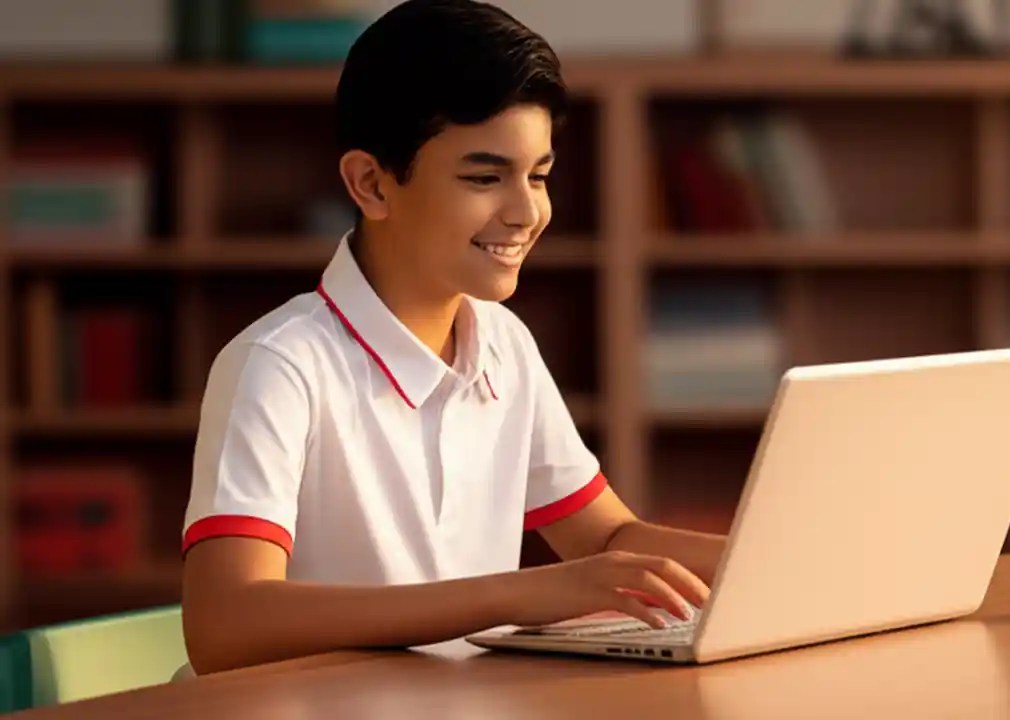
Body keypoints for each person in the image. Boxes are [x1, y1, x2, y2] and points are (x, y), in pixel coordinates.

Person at [180, 0, 726, 675]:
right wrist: (522, 593)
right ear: (371, 184)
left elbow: (607, 537)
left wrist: (781, 564)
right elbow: (224, 623)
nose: (526, 211)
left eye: (540, 175)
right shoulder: (280, 365)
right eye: (484, 177)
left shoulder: (503, 342)